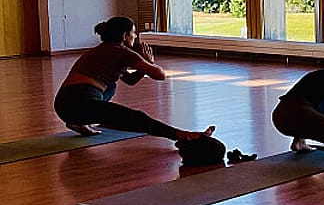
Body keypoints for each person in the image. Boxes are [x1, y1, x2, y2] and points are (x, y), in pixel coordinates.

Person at [54, 16, 215, 142]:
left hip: (63, 104)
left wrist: (145, 64)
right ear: (125, 36)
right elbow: (160, 75)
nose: (135, 36)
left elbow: (130, 80)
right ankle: (183, 135)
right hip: (79, 103)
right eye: (133, 33)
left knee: (111, 87)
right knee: (136, 118)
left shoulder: (100, 50)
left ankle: (78, 122)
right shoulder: (121, 51)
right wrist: (149, 62)